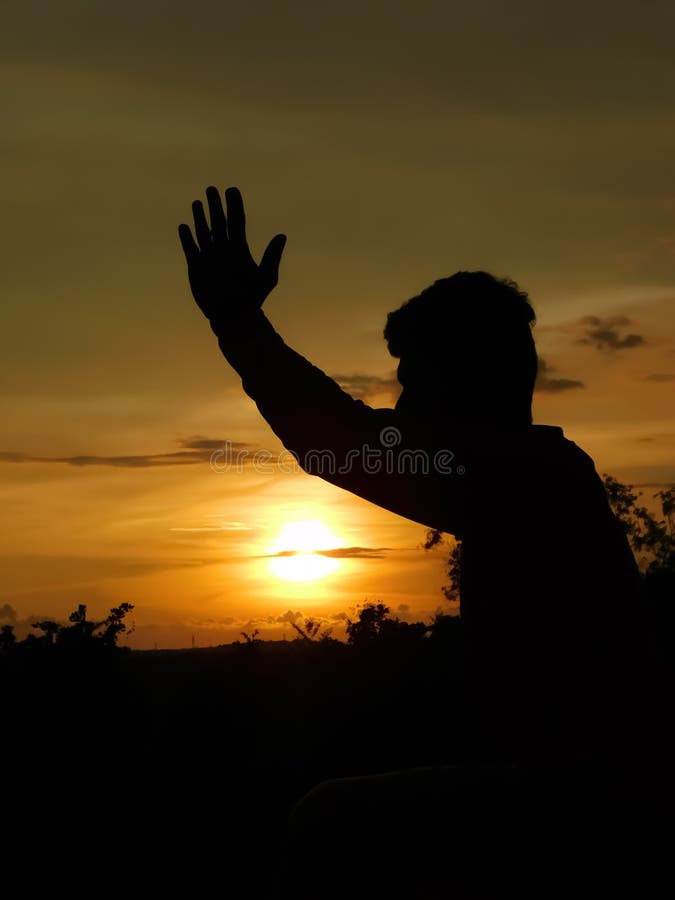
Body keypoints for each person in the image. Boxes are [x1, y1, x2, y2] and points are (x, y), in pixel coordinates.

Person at [178, 185, 647, 892]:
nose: (400, 403)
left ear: (465, 379)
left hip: (590, 804)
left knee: (328, 819)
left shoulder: (525, 476)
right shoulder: (536, 473)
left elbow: (343, 440)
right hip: (580, 787)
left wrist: (238, 322)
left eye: (413, 379)